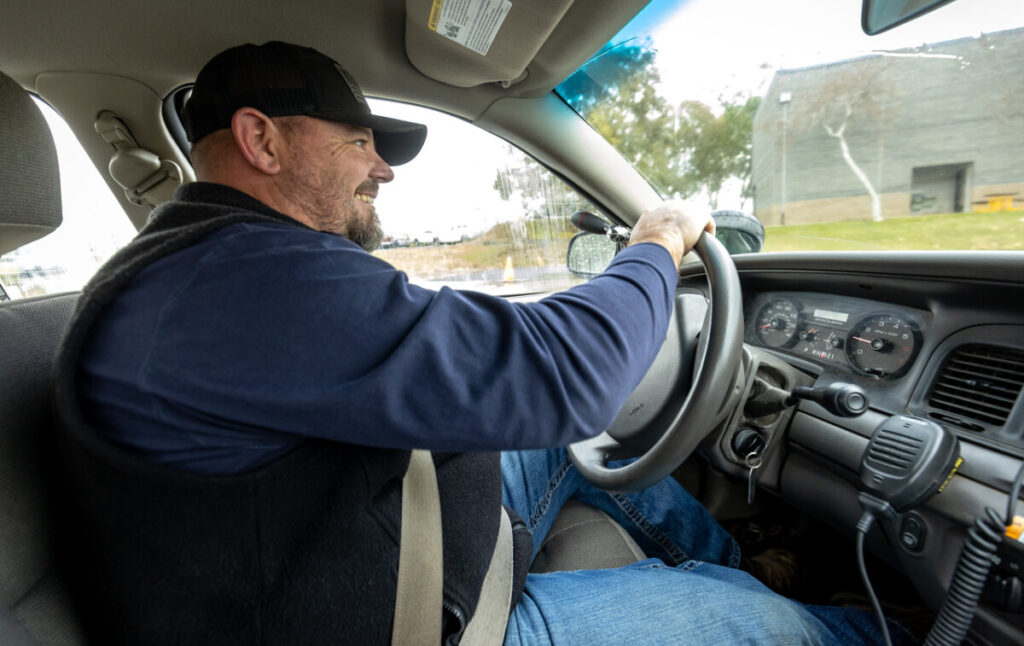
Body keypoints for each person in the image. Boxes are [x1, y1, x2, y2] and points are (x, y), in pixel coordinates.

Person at [53, 41, 915, 645]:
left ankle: (749, 563)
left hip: (373, 533)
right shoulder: (237, 279)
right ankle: (869, 631)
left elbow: (475, 359)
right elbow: (566, 375)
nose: (381, 167)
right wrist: (657, 243)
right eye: (359, 141)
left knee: (571, 450)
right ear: (260, 140)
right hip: (406, 621)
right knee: (751, 626)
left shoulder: (209, 267)